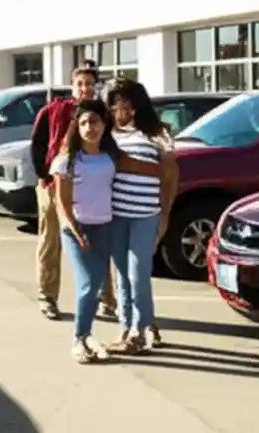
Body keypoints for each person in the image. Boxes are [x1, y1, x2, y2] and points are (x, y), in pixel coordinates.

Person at [53, 98, 166, 363]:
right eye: (83, 123)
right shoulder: (67, 160)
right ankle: (79, 339)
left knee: (101, 285)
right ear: (77, 128)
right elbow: (62, 204)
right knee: (90, 283)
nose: (90, 127)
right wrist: (76, 231)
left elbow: (147, 168)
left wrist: (167, 170)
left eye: (94, 122)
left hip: (105, 227)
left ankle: (103, 333)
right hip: (77, 230)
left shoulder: (111, 156)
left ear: (105, 125)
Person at [105, 78, 178, 352]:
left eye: (123, 102)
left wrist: (165, 214)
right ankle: (129, 327)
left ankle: (140, 328)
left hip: (145, 214)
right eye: (113, 103)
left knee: (138, 273)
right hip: (115, 214)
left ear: (136, 104)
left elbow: (170, 176)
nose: (118, 108)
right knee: (122, 275)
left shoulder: (157, 133)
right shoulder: (109, 133)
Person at [29, 63, 97, 320]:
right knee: (50, 241)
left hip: (90, 186)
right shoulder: (55, 111)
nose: (85, 89)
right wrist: (46, 177)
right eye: (80, 84)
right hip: (53, 185)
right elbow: (37, 145)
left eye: (89, 84)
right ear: (73, 86)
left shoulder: (101, 115)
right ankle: (47, 296)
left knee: (97, 241)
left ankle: (106, 297)